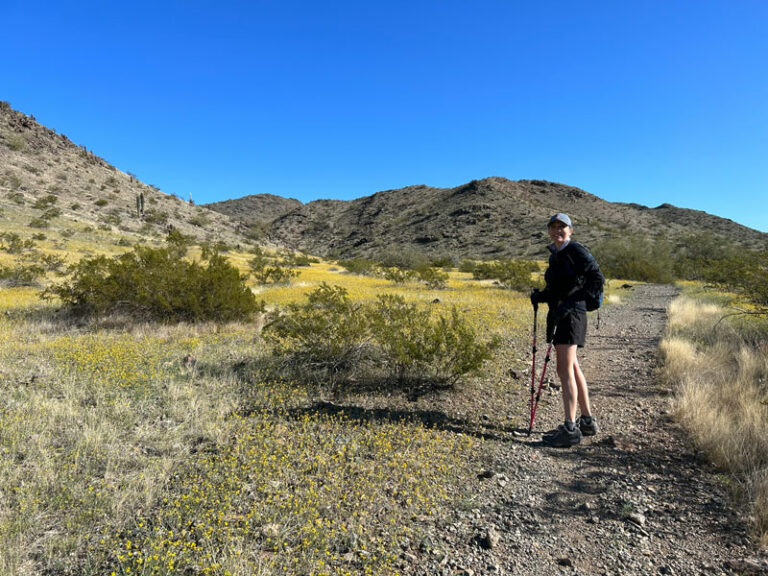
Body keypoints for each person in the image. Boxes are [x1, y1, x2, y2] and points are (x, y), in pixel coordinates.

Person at [530, 213, 604, 447]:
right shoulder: (557, 255)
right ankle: (587, 421)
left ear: (570, 230)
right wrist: (541, 296)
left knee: (564, 370)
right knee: (572, 367)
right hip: (563, 314)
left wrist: (570, 304)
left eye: (561, 227)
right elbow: (560, 287)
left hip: (572, 316)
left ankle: (570, 428)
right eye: (552, 227)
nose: (556, 231)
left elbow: (596, 280)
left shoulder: (576, 251)